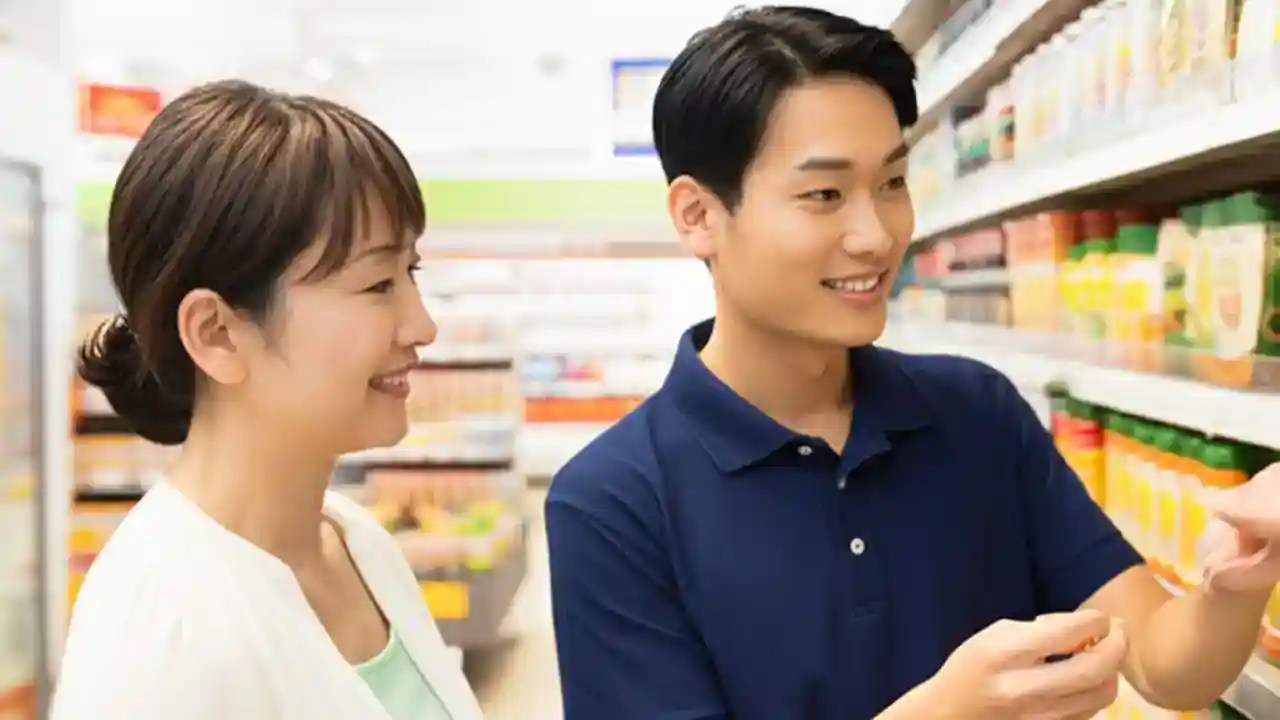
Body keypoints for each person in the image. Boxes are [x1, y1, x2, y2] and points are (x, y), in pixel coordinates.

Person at [545, 7, 1280, 720]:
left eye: (892, 183)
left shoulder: (976, 414)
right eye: (824, 194)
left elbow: (1162, 664)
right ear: (698, 215)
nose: (876, 235)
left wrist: (1235, 581)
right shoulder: (612, 504)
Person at [53, 80, 483, 720]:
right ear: (217, 332)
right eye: (376, 284)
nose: (422, 325)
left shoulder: (357, 542)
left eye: (410, 274)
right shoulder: (162, 626)